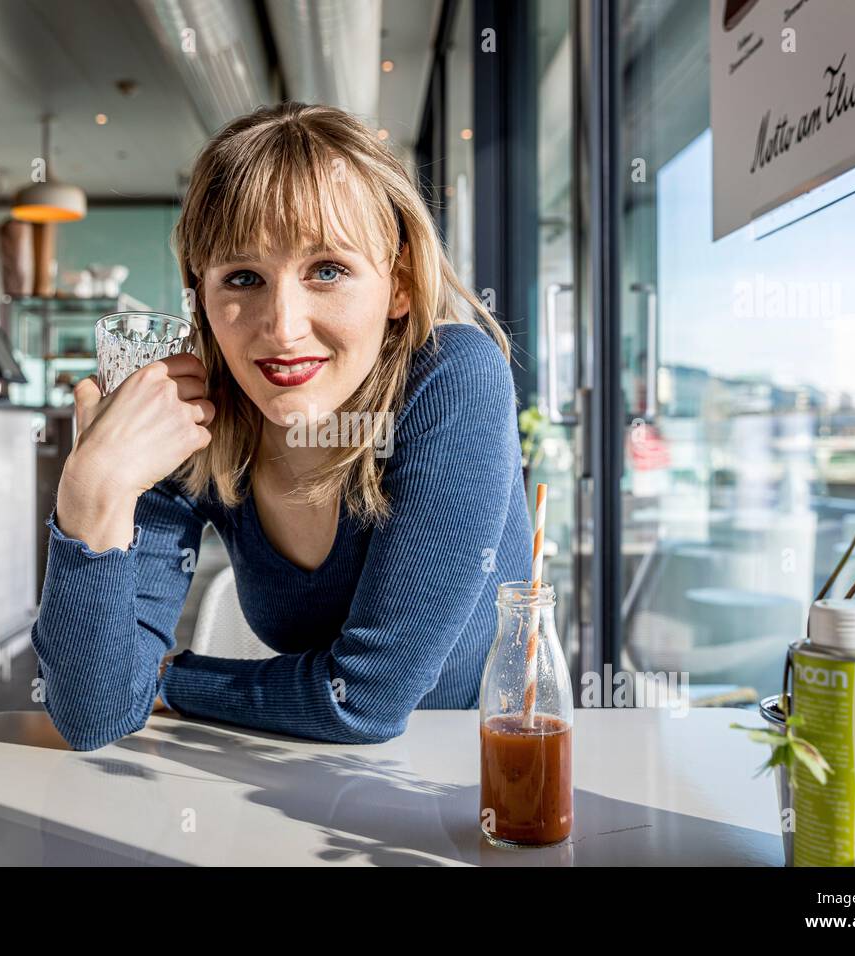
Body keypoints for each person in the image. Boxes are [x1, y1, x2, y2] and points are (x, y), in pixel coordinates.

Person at [33, 101, 532, 749]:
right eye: (243, 277)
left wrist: (167, 682)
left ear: (400, 284)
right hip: (301, 790)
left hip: (473, 786)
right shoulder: (192, 421)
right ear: (201, 299)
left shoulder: (452, 376)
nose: (283, 327)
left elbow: (366, 702)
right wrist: (91, 490)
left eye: (327, 270)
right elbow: (93, 715)